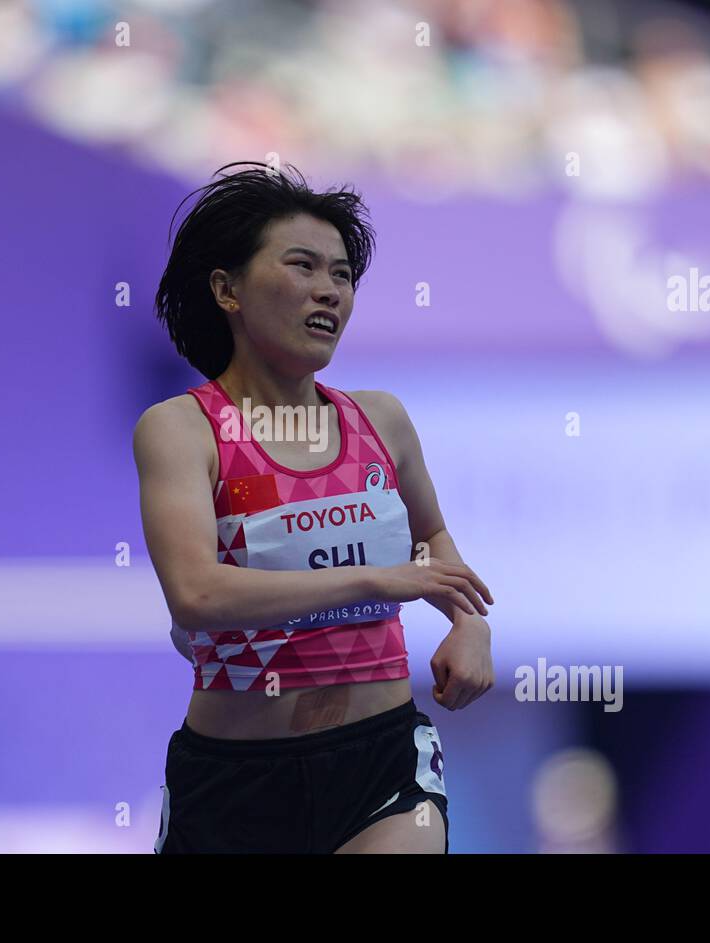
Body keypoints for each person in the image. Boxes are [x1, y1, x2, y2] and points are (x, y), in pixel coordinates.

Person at [134, 161, 495, 854]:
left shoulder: (381, 420)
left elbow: (432, 542)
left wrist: (468, 622)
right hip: (233, 783)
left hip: (382, 763)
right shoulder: (181, 430)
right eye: (303, 266)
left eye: (341, 275)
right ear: (227, 289)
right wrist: (380, 579)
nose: (328, 290)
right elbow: (197, 593)